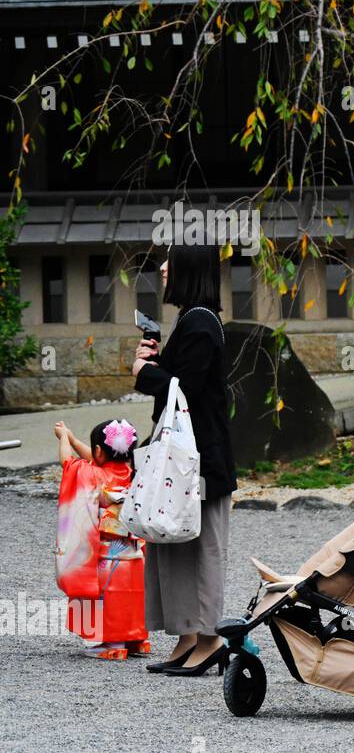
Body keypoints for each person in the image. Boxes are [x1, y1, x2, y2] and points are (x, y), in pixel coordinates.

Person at [132, 244, 236, 677]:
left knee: (202, 545)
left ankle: (209, 637)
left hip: (198, 458)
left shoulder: (199, 323)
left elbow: (186, 389)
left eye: (171, 262)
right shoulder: (192, 318)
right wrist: (155, 362)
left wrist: (145, 374)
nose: (162, 268)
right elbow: (184, 381)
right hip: (188, 455)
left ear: (189, 270)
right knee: (175, 545)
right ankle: (187, 636)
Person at [53, 419, 147, 660]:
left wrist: (65, 439)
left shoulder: (93, 474)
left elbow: (69, 464)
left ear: (98, 451)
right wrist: (74, 439)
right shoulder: (134, 473)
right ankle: (136, 639)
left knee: (110, 597)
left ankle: (112, 644)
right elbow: (98, 459)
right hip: (134, 551)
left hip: (106, 551)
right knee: (132, 594)